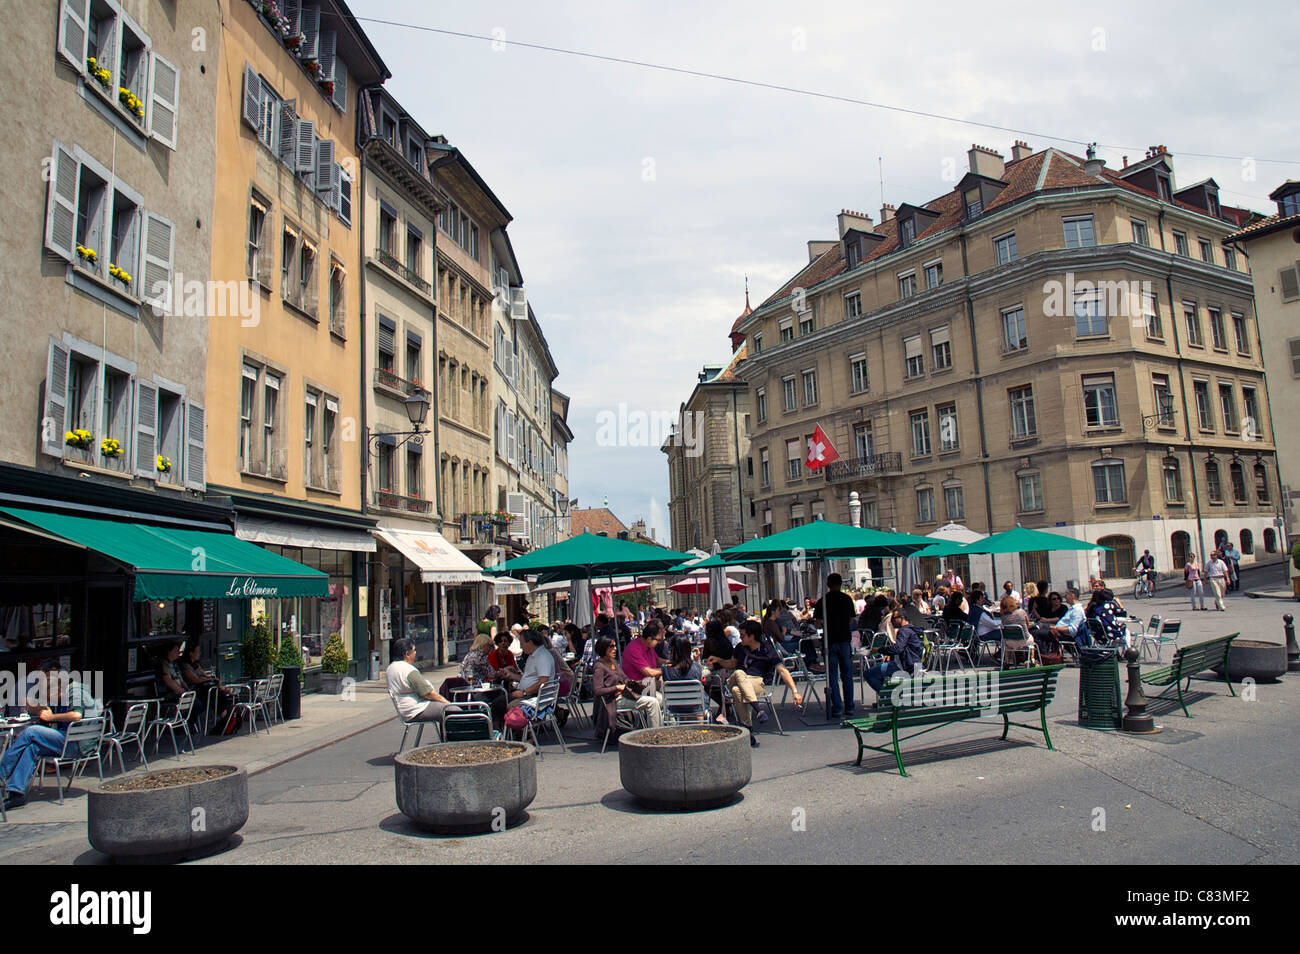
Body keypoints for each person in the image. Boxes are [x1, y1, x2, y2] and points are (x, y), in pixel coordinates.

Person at [0, 661, 103, 809]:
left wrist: (51, 717)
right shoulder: (63, 694)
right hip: (69, 741)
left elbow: (76, 715)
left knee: (30, 732)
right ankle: (16, 794)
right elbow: (50, 714)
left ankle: (2, 772)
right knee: (32, 747)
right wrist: (37, 710)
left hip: (76, 745)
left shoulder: (76, 691)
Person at [709, 621, 781, 746]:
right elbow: (732, 664)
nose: (740, 638)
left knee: (737, 691)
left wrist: (795, 691)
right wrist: (719, 660)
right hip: (735, 679)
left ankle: (748, 728)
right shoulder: (739, 648)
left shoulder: (766, 649)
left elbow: (782, 670)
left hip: (756, 682)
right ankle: (758, 709)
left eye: (742, 636)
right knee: (739, 673)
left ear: (751, 636)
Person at [591, 637, 662, 743]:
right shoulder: (599, 667)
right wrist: (616, 688)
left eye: (615, 646)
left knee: (659, 697)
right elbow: (597, 691)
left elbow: (625, 678)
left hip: (626, 694)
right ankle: (655, 737)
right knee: (652, 702)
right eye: (612, 646)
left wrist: (636, 683)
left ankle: (654, 728)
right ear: (603, 648)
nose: (615, 649)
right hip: (614, 700)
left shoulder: (613, 662)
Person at [387, 637, 459, 727]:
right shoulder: (408, 670)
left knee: (447, 708)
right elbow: (427, 693)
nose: (415, 653)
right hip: (416, 709)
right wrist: (446, 702)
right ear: (407, 654)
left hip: (406, 709)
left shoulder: (391, 668)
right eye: (414, 650)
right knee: (453, 710)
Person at [813, 573, 856, 719]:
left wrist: (826, 623)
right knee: (847, 674)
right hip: (844, 639)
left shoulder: (823, 601)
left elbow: (817, 622)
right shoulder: (847, 599)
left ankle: (837, 707)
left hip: (829, 640)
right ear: (841, 583)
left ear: (828, 584)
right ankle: (849, 706)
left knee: (832, 675)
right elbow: (851, 619)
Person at [863, 611, 925, 701]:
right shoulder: (914, 630)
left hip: (904, 666)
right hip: (915, 665)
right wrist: (889, 653)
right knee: (880, 669)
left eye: (893, 619)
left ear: (902, 617)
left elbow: (897, 649)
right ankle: (890, 697)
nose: (891, 622)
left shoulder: (904, 631)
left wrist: (878, 650)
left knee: (869, 674)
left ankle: (889, 699)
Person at [180, 641, 234, 731]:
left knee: (216, 693)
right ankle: (224, 715)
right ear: (191, 653)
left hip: (203, 690)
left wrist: (213, 679)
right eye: (197, 652)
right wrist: (209, 679)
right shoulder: (186, 666)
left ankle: (223, 714)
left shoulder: (196, 665)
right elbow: (196, 680)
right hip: (194, 691)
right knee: (216, 693)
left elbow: (205, 675)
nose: (199, 654)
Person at [622, 620, 666, 691]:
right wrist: (667, 670)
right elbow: (649, 672)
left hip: (648, 684)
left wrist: (670, 662)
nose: (659, 643)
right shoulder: (634, 649)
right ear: (649, 639)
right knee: (663, 697)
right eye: (658, 640)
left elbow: (657, 660)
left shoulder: (648, 646)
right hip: (636, 688)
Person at [997, 595, 1038, 665]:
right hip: (1024, 640)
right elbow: (1027, 624)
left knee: (1006, 643)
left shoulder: (1003, 617)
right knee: (1032, 638)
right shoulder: (1021, 612)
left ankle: (1006, 661)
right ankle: (1032, 659)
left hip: (1009, 642)